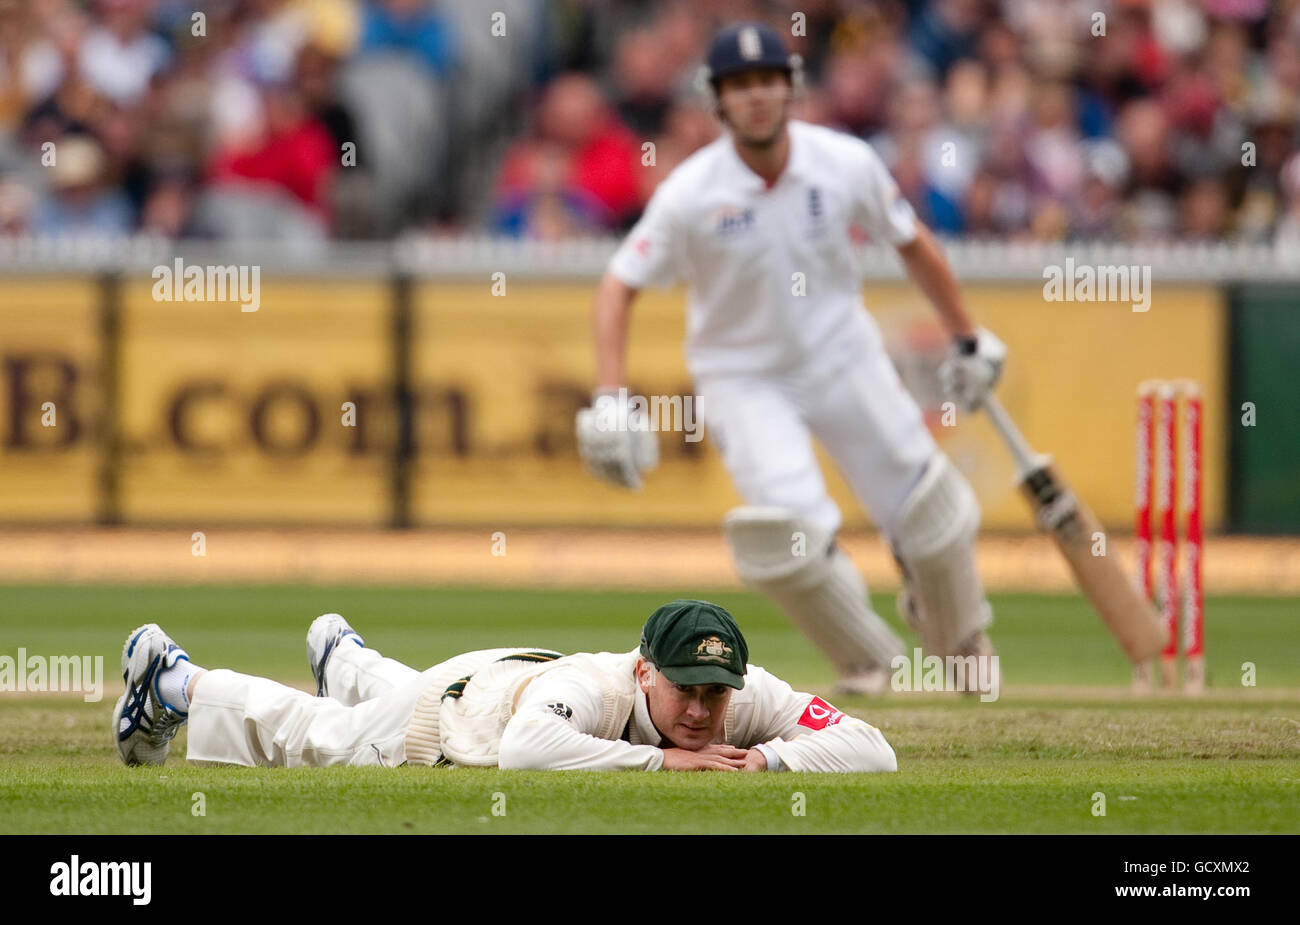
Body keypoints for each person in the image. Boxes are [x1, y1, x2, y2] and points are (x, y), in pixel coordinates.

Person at [576, 23, 1005, 695]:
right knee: (788, 535)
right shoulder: (691, 191)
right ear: (717, 101)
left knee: (933, 513)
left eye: (767, 80)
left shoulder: (843, 162)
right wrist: (608, 395)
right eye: (739, 86)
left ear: (791, 88)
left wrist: (967, 336)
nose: (755, 97)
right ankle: (875, 665)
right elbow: (618, 283)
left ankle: (957, 638)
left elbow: (911, 240)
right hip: (743, 375)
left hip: (841, 353)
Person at [112, 599, 897, 773]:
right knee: (317, 738)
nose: (700, 711)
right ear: (646, 668)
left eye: (714, 694)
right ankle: (174, 679)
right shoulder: (602, 685)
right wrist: (666, 762)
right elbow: (524, 749)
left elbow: (875, 749)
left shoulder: (744, 691)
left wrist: (769, 761)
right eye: (684, 688)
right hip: (452, 714)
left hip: (504, 673)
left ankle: (348, 659)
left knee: (367, 696)